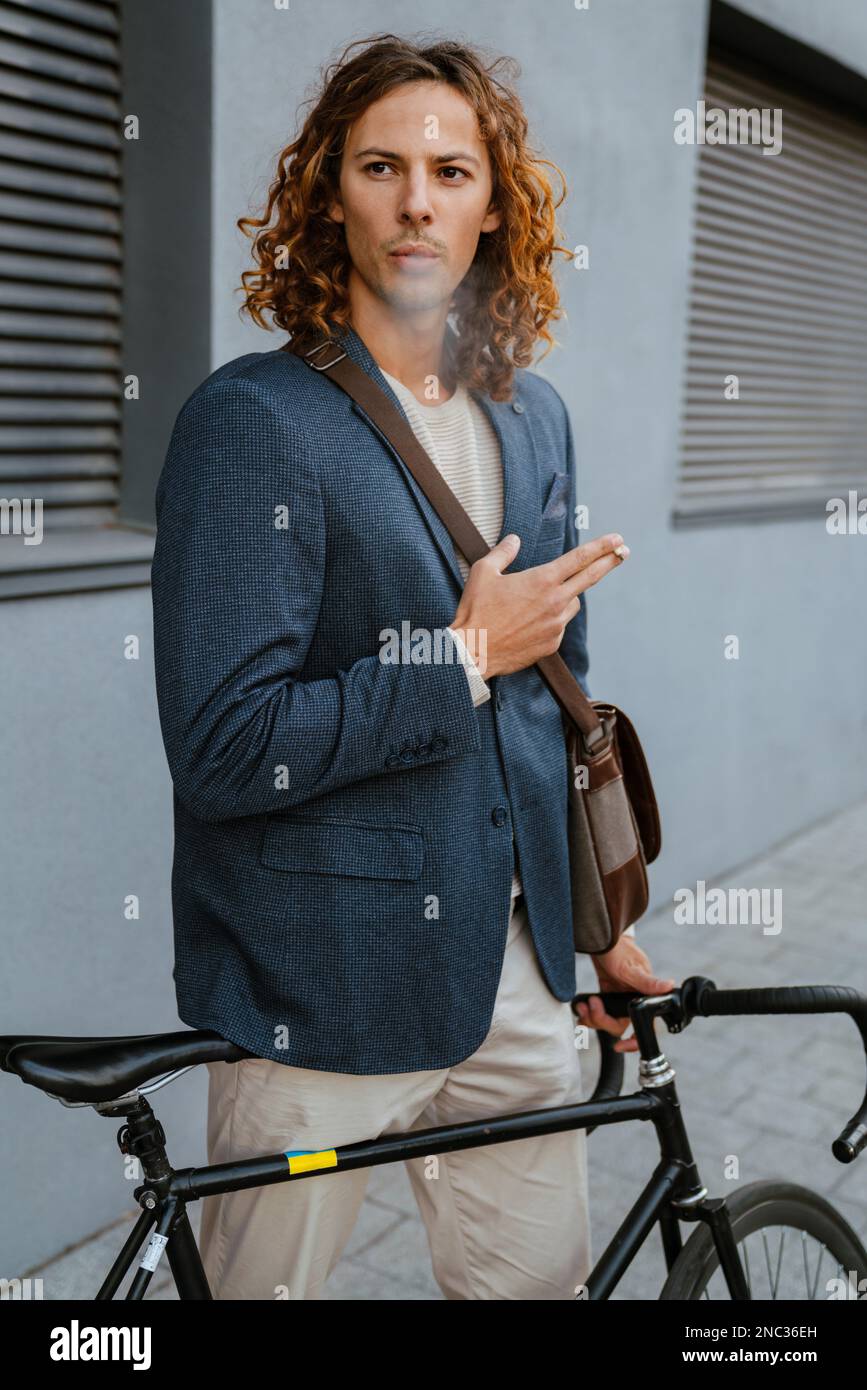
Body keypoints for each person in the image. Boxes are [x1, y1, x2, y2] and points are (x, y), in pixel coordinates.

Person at [150, 31, 674, 1300]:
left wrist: (594, 926)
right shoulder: (253, 421)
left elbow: (555, 700)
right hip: (317, 996)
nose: (417, 199)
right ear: (332, 190)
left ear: (495, 203)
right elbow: (224, 745)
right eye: (382, 166)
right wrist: (458, 657)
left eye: (452, 169)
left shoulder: (533, 415)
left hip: (519, 997)